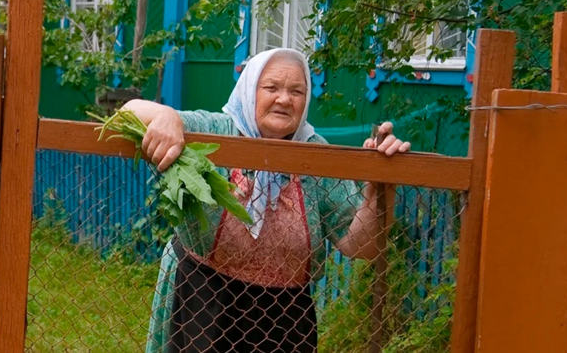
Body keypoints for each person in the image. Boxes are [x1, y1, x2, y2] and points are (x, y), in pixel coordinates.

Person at [122, 48, 411, 353]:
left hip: (283, 318)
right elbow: (128, 111)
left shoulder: (316, 155)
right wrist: (166, 116)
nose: (284, 99)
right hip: (202, 300)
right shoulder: (219, 131)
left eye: (296, 91)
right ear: (249, 90)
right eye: (271, 88)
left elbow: (362, 247)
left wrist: (379, 189)